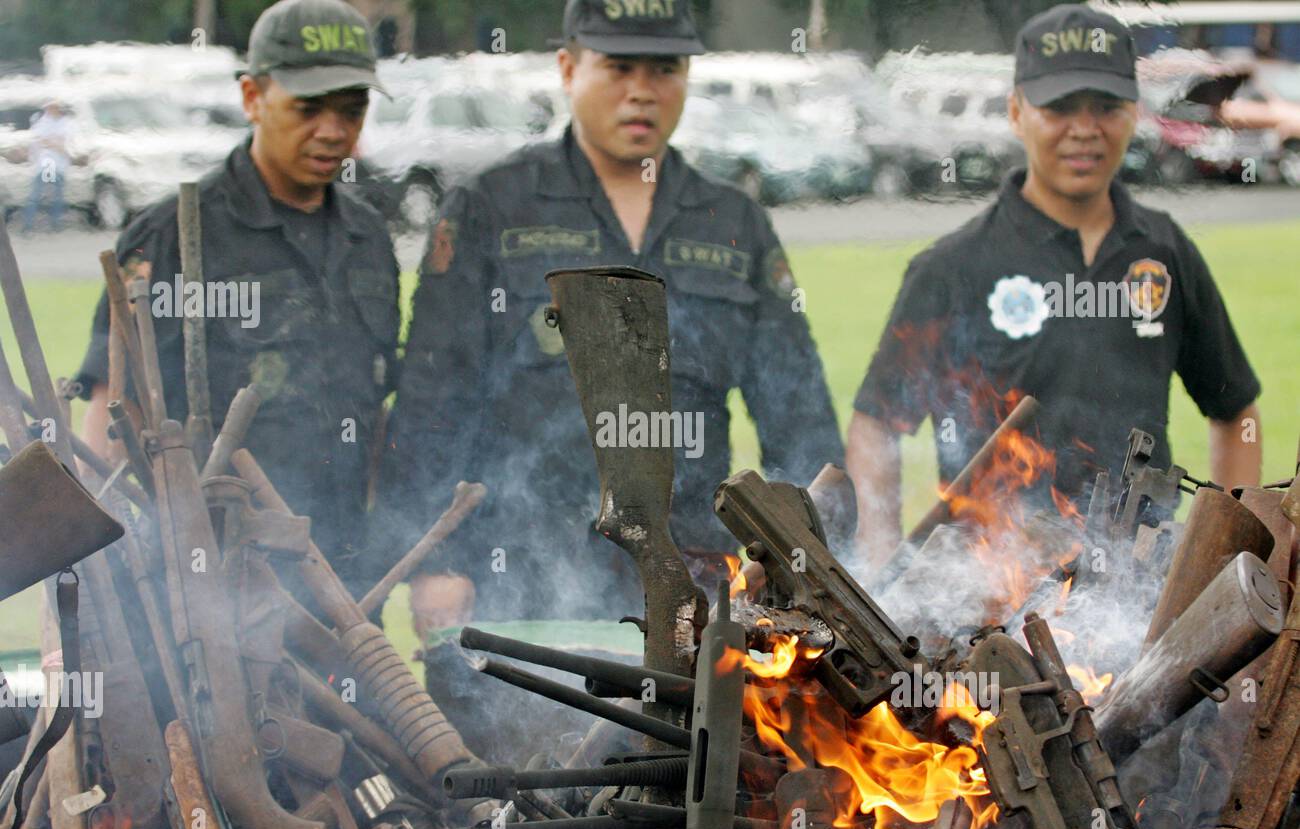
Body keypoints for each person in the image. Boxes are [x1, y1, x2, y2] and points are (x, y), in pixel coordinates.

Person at [379, 0, 844, 631]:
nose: (642, 93)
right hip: (518, 585)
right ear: (568, 68)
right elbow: (433, 400)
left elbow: (800, 417)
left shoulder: (733, 224)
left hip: (694, 591)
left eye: (664, 70)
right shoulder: (493, 207)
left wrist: (796, 555)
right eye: (619, 68)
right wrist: (434, 562)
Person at [846, 3, 1262, 569]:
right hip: (990, 600)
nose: (1085, 130)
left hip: (1135, 595)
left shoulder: (1163, 253)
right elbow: (877, 425)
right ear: (1017, 111)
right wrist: (880, 567)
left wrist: (1223, 555)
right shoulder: (953, 267)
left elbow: (1235, 409)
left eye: (1107, 107)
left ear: (1134, 113)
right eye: (1061, 107)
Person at [76, 0, 397, 591]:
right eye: (307, 108)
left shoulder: (368, 236)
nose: (333, 131)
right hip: (211, 583)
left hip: (343, 579)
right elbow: (112, 422)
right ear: (252, 97)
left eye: (352, 110)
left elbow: (372, 411)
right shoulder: (173, 235)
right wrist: (107, 582)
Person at [22, 101, 74, 233]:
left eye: (52, 108)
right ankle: (29, 225)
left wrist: (52, 143)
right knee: (37, 195)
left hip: (58, 164)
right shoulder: (43, 122)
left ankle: (54, 224)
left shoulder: (66, 123)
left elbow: (65, 146)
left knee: (56, 196)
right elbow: (39, 141)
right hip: (45, 163)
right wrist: (54, 143)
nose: (49, 110)